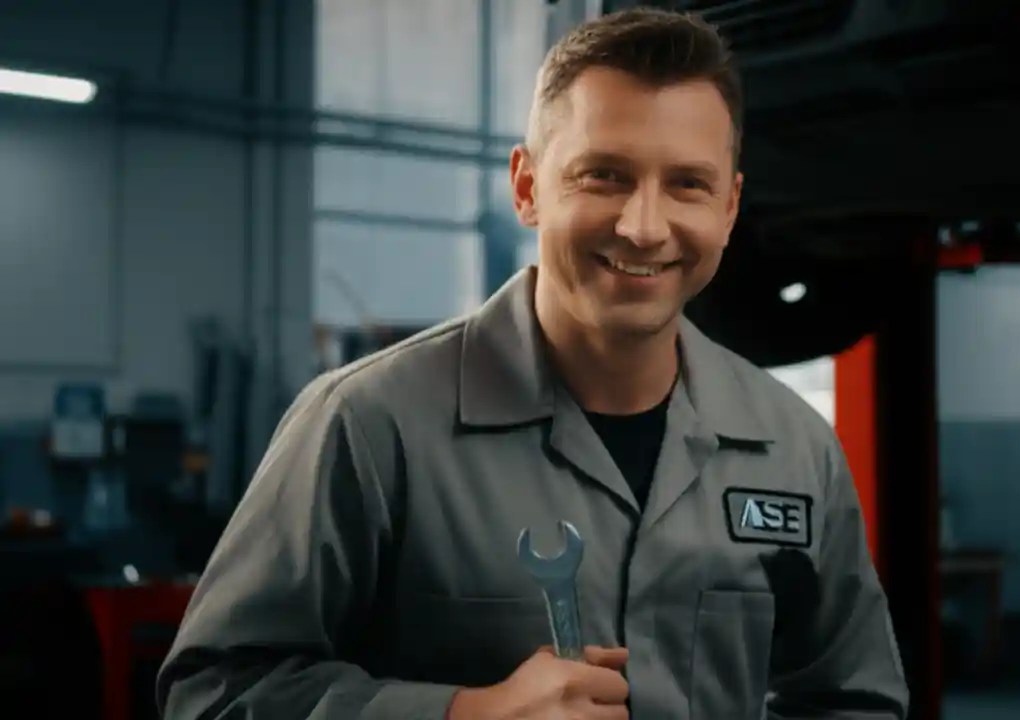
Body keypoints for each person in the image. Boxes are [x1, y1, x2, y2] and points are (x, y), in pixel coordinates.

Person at [157, 7, 908, 719]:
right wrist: (458, 712)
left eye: (686, 184)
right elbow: (212, 693)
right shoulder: (368, 426)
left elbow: (855, 699)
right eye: (603, 176)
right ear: (527, 187)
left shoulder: (794, 448)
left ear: (730, 208)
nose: (644, 226)